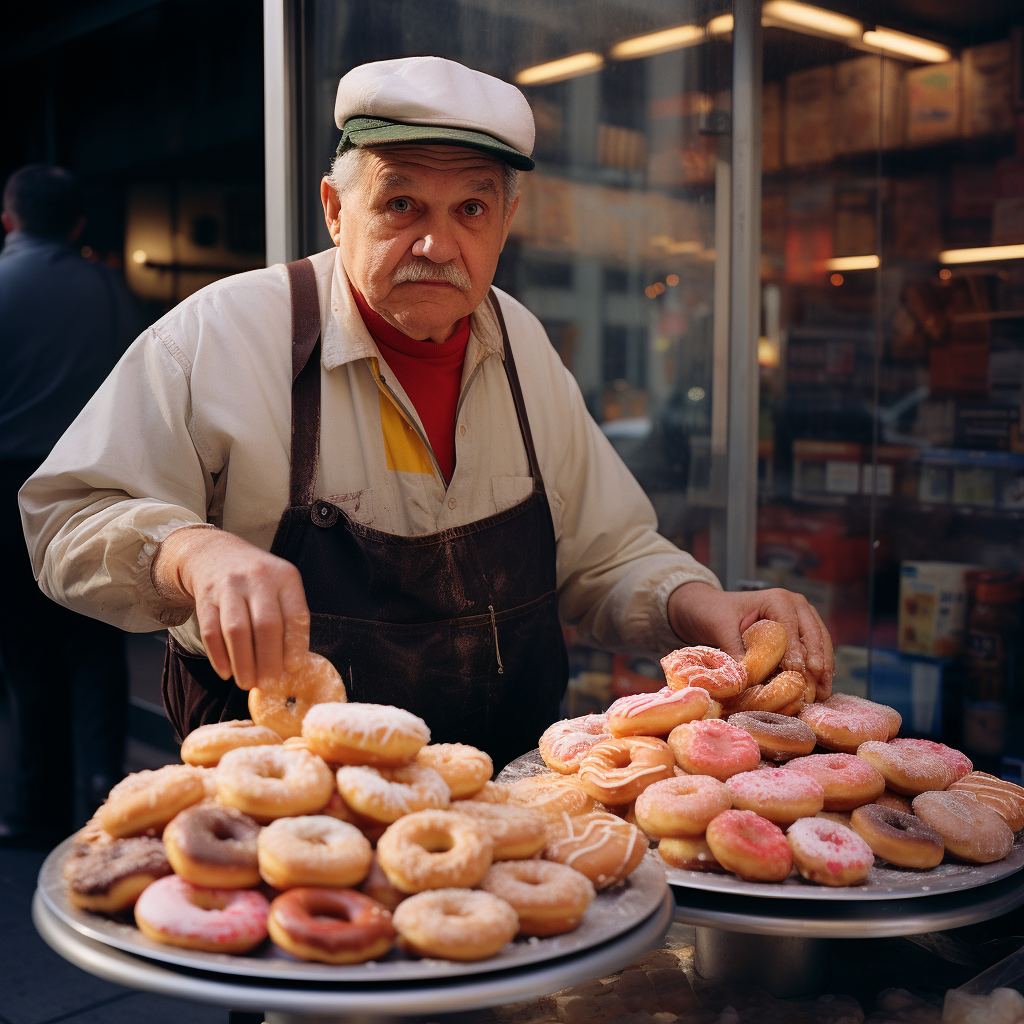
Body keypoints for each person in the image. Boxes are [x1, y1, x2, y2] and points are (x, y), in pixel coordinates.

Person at [20, 59, 832, 772]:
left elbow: (604, 550)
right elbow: (67, 519)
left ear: (507, 223)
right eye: (402, 203)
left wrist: (704, 605)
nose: (439, 245)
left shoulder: (523, 347)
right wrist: (189, 551)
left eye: (470, 211)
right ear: (338, 211)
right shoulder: (219, 336)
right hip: (289, 819)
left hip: (507, 805)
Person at [1, 164, 140, 845]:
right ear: (79, 224)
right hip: (94, 482)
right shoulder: (109, 287)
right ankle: (108, 799)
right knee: (94, 644)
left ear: (9, 219)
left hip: (9, 488)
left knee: (26, 654)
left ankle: (34, 809)